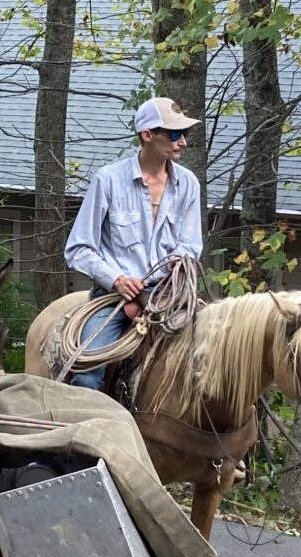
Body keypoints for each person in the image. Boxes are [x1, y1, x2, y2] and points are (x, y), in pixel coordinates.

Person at [61, 96, 204, 391]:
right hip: (114, 298)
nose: (183, 142)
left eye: (185, 133)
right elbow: (78, 248)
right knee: (87, 375)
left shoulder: (188, 183)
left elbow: (191, 245)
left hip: (169, 296)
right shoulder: (108, 181)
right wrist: (117, 280)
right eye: (175, 134)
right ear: (148, 135)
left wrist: (175, 265)